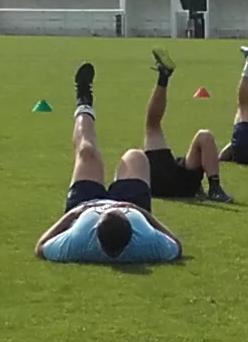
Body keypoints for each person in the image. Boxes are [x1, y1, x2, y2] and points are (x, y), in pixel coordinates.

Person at [35, 62, 183, 264]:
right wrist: (141, 213)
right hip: (133, 205)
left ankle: (83, 100)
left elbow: (41, 246)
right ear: (133, 232)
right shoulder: (147, 242)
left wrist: (73, 214)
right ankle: (85, 102)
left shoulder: (78, 240)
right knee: (135, 156)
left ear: (94, 230)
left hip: (84, 207)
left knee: (87, 151)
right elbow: (177, 245)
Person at [138, 49, 233, 203]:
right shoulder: (187, 175)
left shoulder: (169, 168)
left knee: (152, 125)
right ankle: (215, 188)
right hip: (186, 185)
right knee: (204, 135)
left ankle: (163, 77)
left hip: (159, 183)